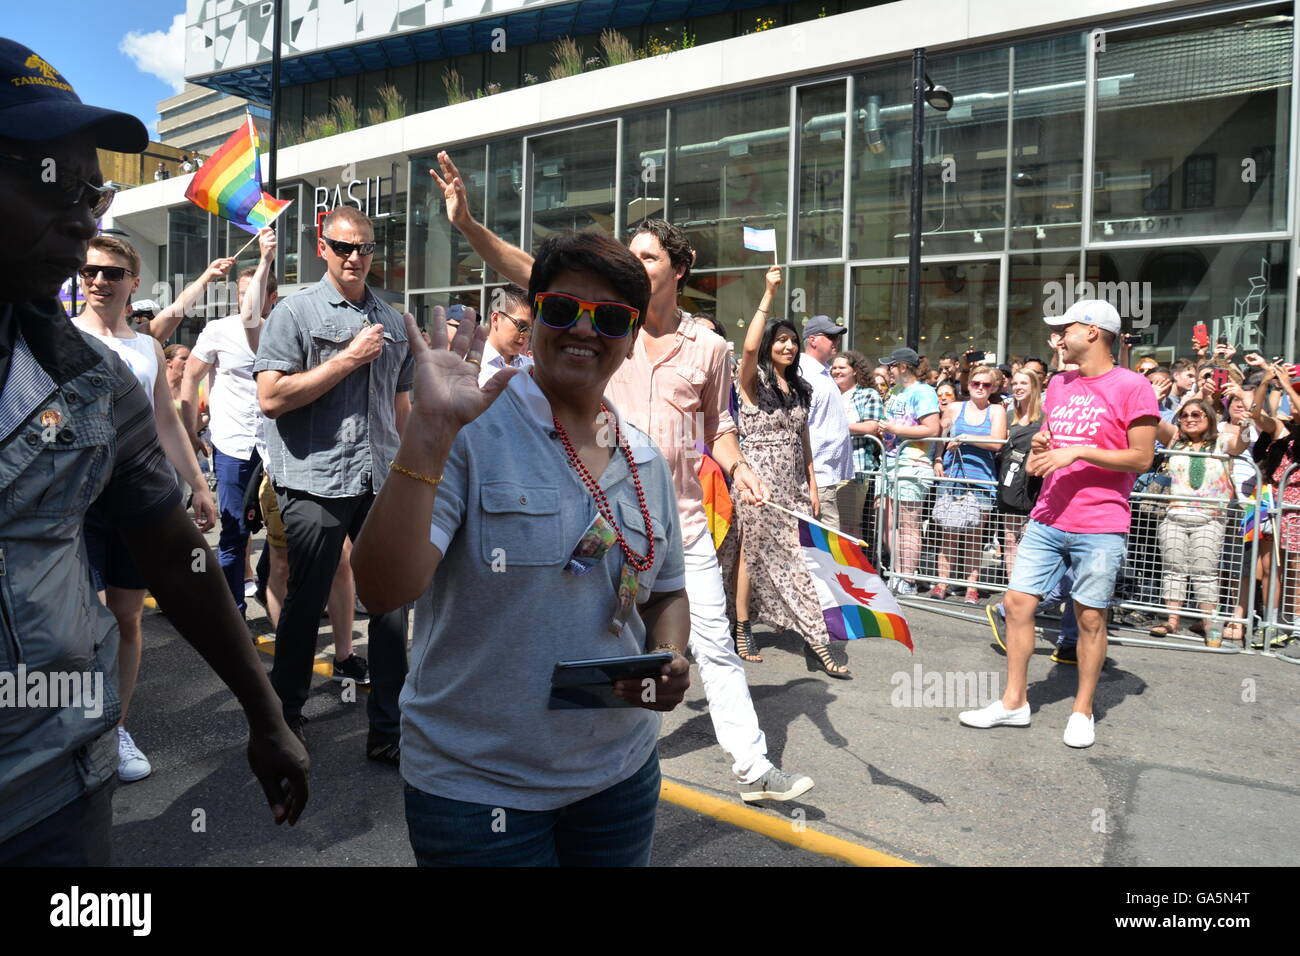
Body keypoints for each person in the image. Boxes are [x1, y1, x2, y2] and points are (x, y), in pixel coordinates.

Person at [0, 37, 306, 864]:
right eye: (50, 180)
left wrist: (265, 715)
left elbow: (178, 554)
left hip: (52, 791)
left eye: (93, 189)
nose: (85, 213)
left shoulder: (93, 380)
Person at [433, 152, 813, 803]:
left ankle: (751, 768)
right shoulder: (610, 322)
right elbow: (525, 268)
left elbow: (716, 428)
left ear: (678, 269)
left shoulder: (711, 347)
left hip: (683, 525)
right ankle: (554, 746)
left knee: (712, 643)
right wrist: (466, 223)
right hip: (599, 520)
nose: (633, 267)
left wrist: (741, 466)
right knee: (572, 631)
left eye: (648, 257)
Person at [352, 232, 690, 866]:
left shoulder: (644, 457)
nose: (584, 332)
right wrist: (427, 435)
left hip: (620, 776)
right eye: (564, 310)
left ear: (632, 331)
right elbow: (382, 589)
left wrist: (667, 656)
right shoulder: (469, 428)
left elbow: (667, 589)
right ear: (535, 315)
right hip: (478, 791)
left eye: (611, 317)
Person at [253, 205, 413, 763]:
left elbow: (402, 409)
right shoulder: (294, 312)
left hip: (381, 480)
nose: (354, 257)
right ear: (323, 247)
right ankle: (286, 712)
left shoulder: (394, 319)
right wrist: (346, 359)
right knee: (306, 602)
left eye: (364, 247)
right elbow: (271, 398)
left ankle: (389, 728)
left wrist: (421, 476)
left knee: (392, 606)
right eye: (343, 246)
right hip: (315, 479)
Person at [959, 300, 1158, 748]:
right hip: (1048, 515)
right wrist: (1042, 449)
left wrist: (1078, 452)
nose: (1057, 337)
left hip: (1101, 520)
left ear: (1092, 332)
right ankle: (1014, 702)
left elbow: (1143, 457)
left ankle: (1082, 710)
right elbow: (1051, 444)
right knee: (1017, 604)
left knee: (1090, 618)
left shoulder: (1134, 386)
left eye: (1064, 329)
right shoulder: (1061, 384)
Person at [74, 235, 219, 782]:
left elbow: (165, 422)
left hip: (135, 501)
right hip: (76, 503)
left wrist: (199, 486)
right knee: (74, 620)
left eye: (111, 273)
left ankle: (115, 729)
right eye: (89, 271)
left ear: (134, 283)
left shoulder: (146, 349)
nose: (97, 281)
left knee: (126, 617)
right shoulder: (62, 338)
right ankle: (71, 726)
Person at [731, 266, 850, 678]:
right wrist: (768, 293)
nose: (788, 345)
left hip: (794, 482)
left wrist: (813, 485)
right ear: (769, 345)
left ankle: (815, 637)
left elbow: (804, 441)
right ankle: (742, 625)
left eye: (793, 341)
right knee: (752, 552)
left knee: (799, 560)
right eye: (781, 339)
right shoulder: (751, 381)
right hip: (756, 482)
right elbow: (747, 351)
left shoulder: (802, 388)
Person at [182, 229, 278, 620]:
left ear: (271, 296)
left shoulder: (284, 328)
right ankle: (232, 613)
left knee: (284, 532)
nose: (244, 301)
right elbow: (190, 375)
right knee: (235, 532)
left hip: (276, 447)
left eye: (252, 292)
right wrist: (189, 431)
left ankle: (273, 588)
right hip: (233, 444)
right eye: (240, 294)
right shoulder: (219, 330)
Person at [1146, 399, 1243, 640]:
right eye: (1185, 415)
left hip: (1210, 517)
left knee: (1205, 571)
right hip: (1174, 515)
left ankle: (1210, 624)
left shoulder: (1221, 440)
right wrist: (1153, 398)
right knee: (1173, 570)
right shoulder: (1175, 438)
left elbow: (1241, 445)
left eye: (1197, 414)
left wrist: (1247, 422)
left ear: (1209, 417)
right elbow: (1154, 422)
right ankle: (1172, 621)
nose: (1190, 418)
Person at [930, 364, 1008, 604]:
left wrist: (966, 439)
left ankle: (971, 587)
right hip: (953, 476)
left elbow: (997, 443)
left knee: (975, 536)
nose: (980, 388)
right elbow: (941, 436)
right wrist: (938, 458)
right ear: (969, 384)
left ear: (993, 387)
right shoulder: (954, 407)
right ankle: (942, 583)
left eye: (986, 385)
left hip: (982, 478)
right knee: (948, 533)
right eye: (976, 383)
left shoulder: (997, 410)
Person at [876, 346, 941, 595]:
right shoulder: (895, 391)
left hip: (912, 463)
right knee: (887, 523)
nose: (888, 371)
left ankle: (907, 578)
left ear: (902, 367)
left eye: (891, 366)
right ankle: (896, 571)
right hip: (889, 462)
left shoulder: (923, 392)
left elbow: (932, 429)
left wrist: (895, 428)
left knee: (908, 523)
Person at [799, 314, 854, 530]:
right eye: (831, 337)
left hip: (825, 476)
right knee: (828, 547)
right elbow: (802, 425)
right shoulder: (806, 373)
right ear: (813, 340)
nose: (836, 342)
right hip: (817, 477)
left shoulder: (821, 372)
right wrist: (810, 478)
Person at [832, 348, 883, 542]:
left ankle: (852, 569)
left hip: (856, 467)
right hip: (829, 466)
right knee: (831, 522)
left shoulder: (867, 394)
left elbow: (872, 425)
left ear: (854, 370)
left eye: (842, 367)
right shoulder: (831, 393)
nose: (836, 371)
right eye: (834, 367)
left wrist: (838, 427)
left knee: (849, 524)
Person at [999, 369, 1045, 584]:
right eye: (1015, 383)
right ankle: (1013, 588)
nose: (1017, 387)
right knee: (1010, 539)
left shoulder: (1046, 416)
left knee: (1030, 540)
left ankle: (1031, 590)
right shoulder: (1009, 416)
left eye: (1024, 383)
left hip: (1038, 484)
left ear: (1034, 386)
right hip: (1011, 481)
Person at [480, 283, 533, 385]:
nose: (526, 334)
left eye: (531, 329)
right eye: (521, 325)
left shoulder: (532, 368)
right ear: (495, 318)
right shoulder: (470, 365)